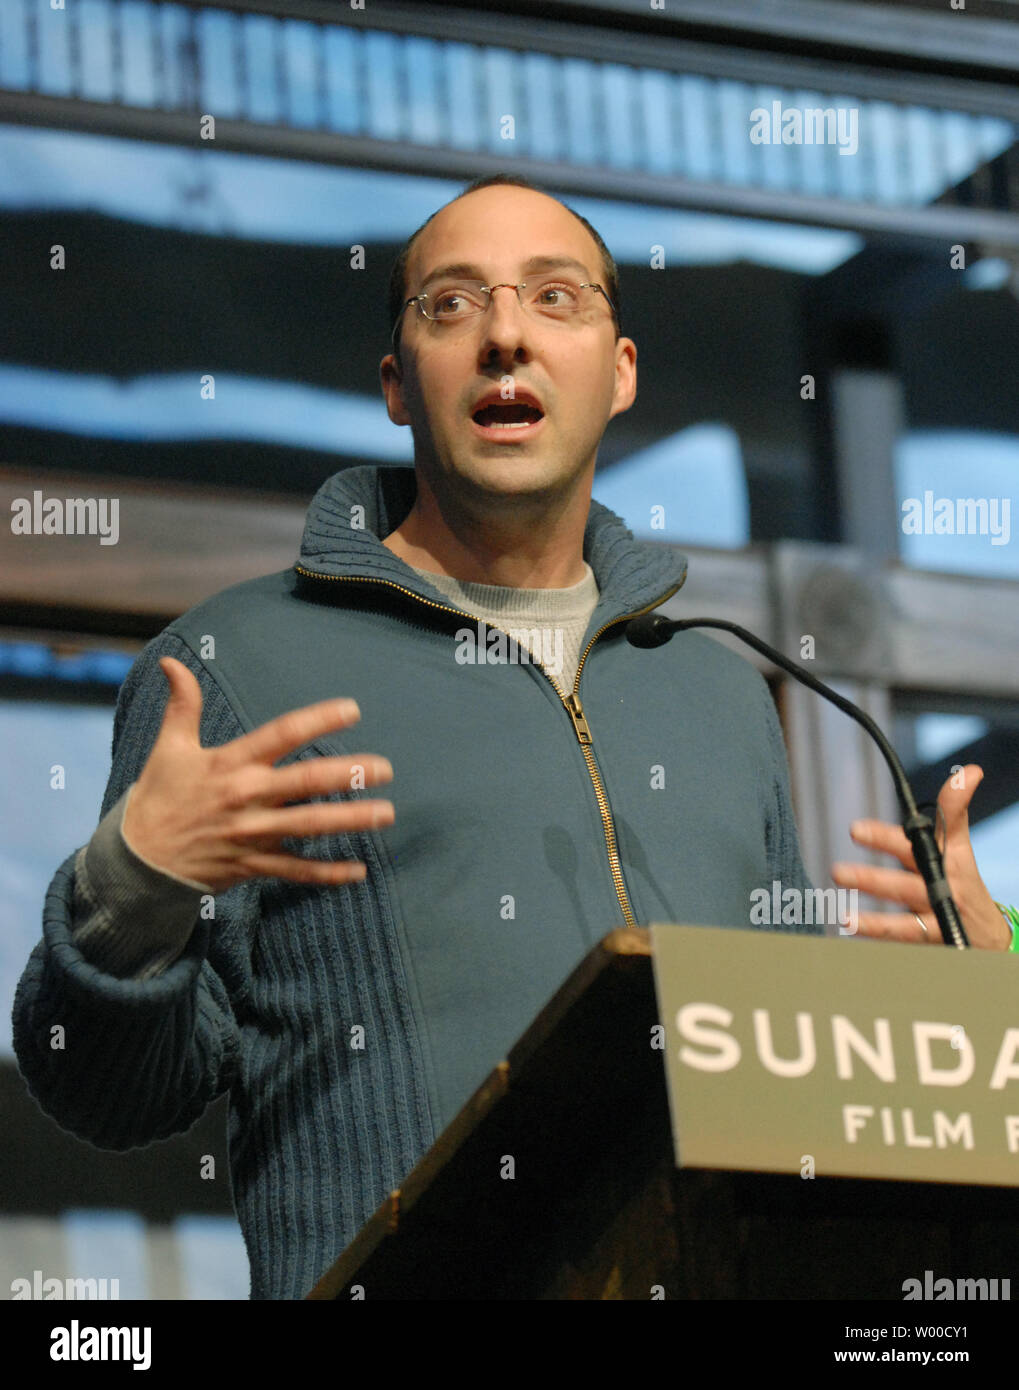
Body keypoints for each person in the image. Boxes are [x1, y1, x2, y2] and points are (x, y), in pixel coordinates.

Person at [11, 175, 1011, 1303]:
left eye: (554, 297)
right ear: (396, 385)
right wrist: (129, 887)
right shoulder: (235, 668)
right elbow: (104, 1093)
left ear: (621, 370)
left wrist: (951, 1011)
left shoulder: (723, 692)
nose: (503, 336)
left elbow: (773, 1104)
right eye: (450, 305)